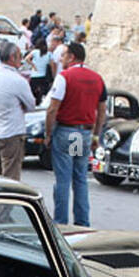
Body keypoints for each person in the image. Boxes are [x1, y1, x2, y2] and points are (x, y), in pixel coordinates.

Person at [45, 42, 107, 227]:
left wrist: (48, 133)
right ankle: (82, 222)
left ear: (72, 57)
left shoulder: (65, 77)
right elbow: (101, 110)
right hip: (84, 133)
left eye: (63, 55)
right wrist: (96, 135)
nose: (61, 59)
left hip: (67, 130)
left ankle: (61, 222)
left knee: (63, 179)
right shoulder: (97, 79)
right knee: (80, 178)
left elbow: (52, 108)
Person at [0, 42, 36, 181]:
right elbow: (31, 105)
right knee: (10, 177)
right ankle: (6, 203)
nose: (22, 59)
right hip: (11, 132)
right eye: (20, 56)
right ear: (12, 57)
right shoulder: (18, 80)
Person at [23, 37, 54, 103]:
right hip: (43, 76)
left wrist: (33, 65)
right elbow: (52, 65)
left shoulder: (35, 52)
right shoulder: (49, 54)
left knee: (33, 92)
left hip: (34, 75)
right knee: (42, 93)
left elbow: (26, 58)